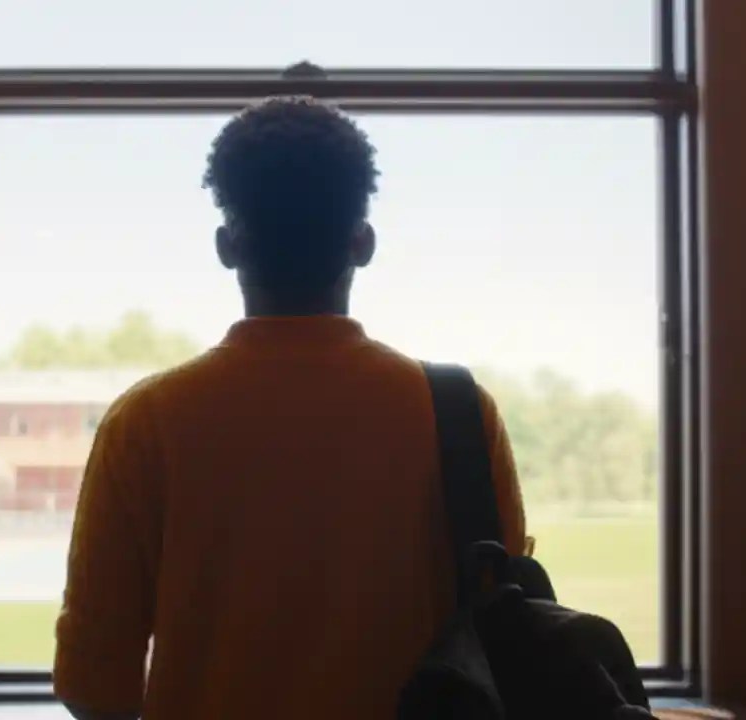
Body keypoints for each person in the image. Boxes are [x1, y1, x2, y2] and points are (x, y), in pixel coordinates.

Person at [53, 96, 528, 720]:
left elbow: (93, 684)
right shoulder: (458, 414)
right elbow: (508, 631)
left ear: (228, 245)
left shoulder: (144, 423)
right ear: (362, 243)